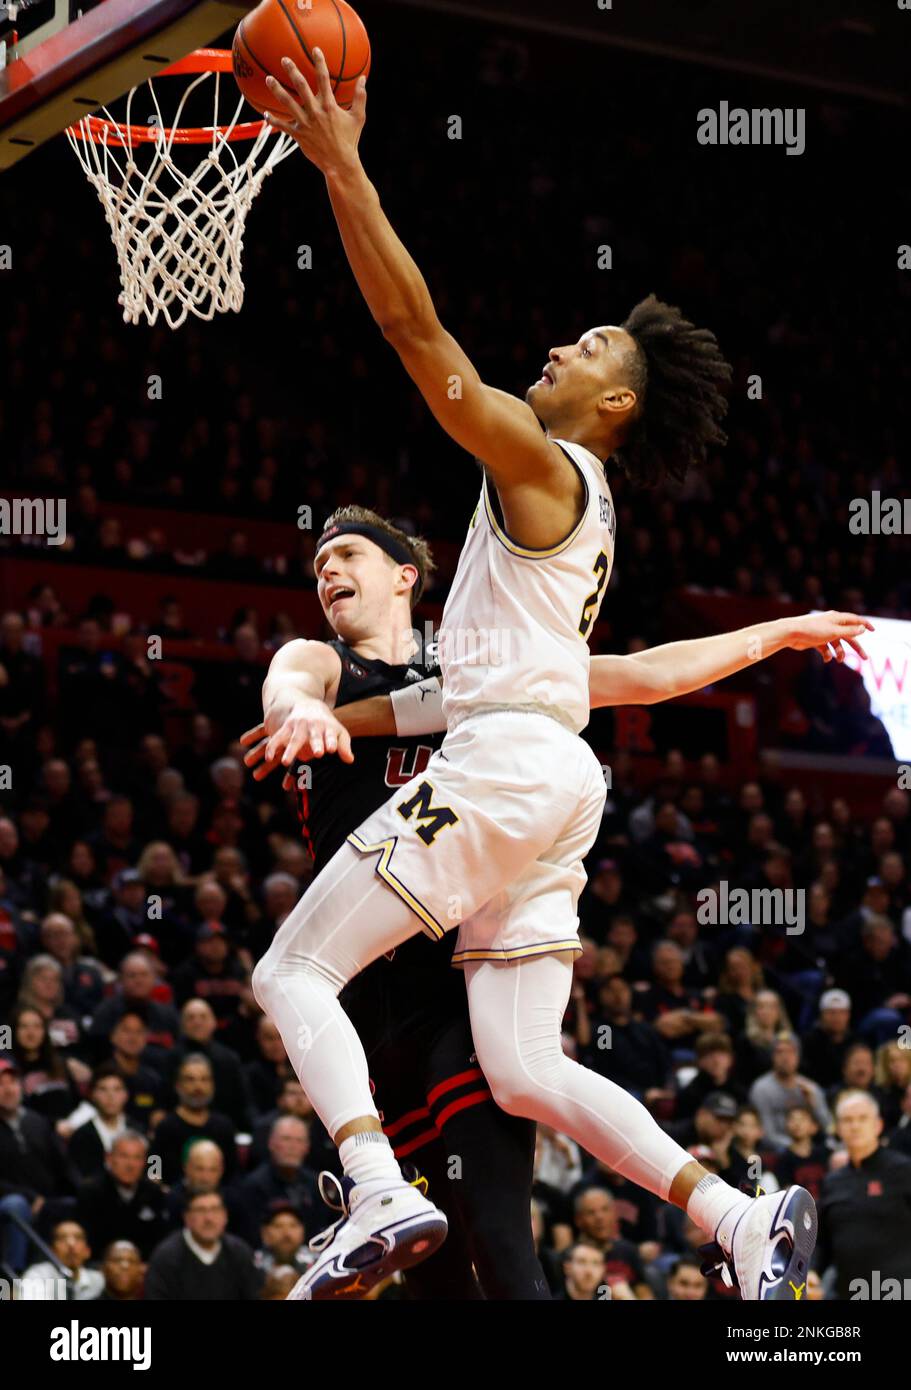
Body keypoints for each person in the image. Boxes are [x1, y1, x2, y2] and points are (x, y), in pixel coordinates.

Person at [250, 46, 873, 1300]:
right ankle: (738, 1216)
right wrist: (771, 631)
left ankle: (373, 1187)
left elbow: (414, 333)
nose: (560, 346)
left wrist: (341, 165)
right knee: (525, 1067)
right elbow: (620, 677)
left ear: (616, 403)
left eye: (588, 347)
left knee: (290, 972)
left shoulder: (542, 467)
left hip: (503, 772)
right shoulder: (574, 529)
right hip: (554, 776)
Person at [816, 1091, 911, 1299]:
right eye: (847, 1120)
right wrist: (812, 1272)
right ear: (838, 1129)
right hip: (848, 1292)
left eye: (862, 1118)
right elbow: (823, 1241)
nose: (855, 1126)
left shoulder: (904, 1171)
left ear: (878, 1125)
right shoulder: (832, 1181)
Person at [144, 1190, 263, 1301]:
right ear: (187, 1218)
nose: (209, 1218)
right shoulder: (166, 1257)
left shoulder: (240, 1252)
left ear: (225, 1216)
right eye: (200, 1210)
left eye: (215, 1209)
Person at [75, 1131, 169, 1260]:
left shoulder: (154, 1193)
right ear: (109, 1158)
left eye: (137, 1158)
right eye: (124, 1156)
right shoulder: (90, 1192)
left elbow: (160, 1239)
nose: (130, 1164)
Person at [19, 1219, 104, 1300]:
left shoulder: (98, 1280)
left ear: (87, 1251)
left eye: (78, 1238)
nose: (71, 1244)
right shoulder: (37, 1274)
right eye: (62, 1238)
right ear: (52, 1250)